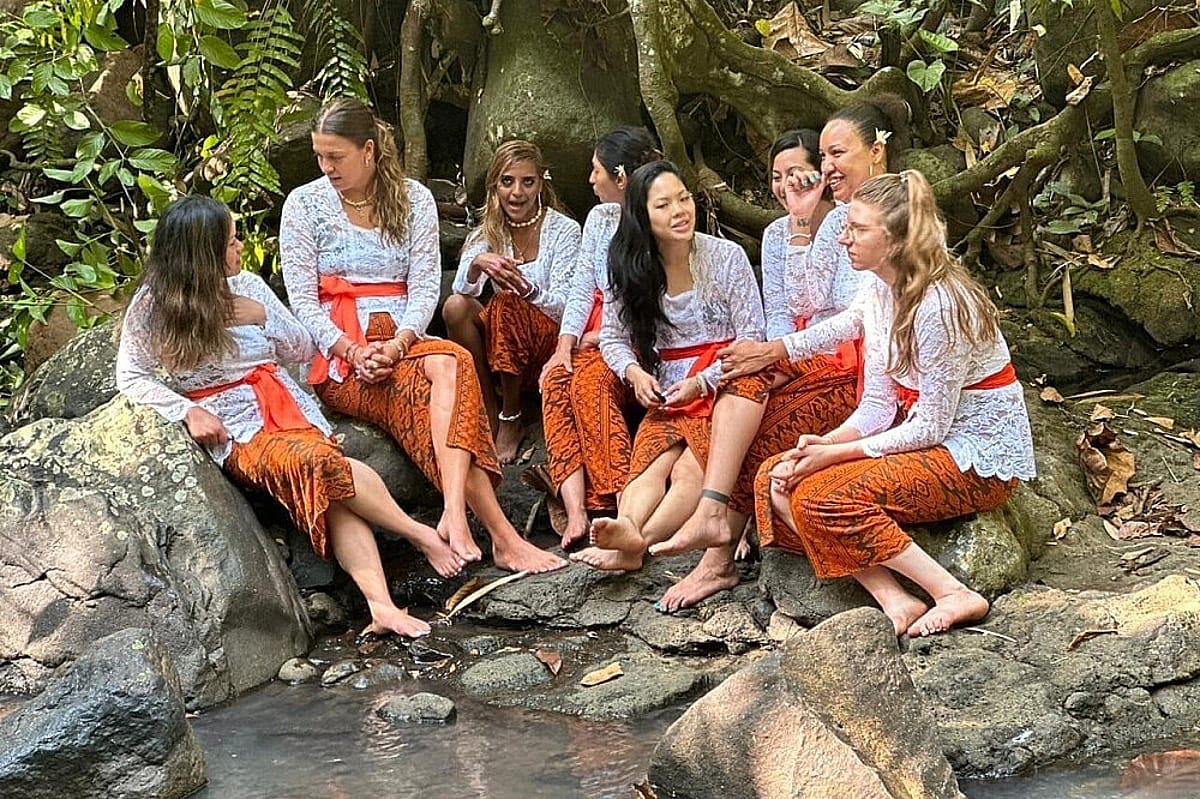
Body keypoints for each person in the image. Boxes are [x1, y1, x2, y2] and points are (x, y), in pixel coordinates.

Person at [116, 196, 459, 638]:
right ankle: (419, 534)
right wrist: (188, 410)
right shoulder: (153, 305)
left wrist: (261, 317)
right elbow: (131, 376)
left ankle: (381, 606)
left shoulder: (250, 287)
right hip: (233, 426)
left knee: (327, 483)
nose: (240, 247)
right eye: (231, 242)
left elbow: (302, 349)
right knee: (317, 465)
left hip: (285, 405)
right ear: (203, 255)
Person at [280, 98, 564, 575]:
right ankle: (502, 537)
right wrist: (352, 350)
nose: (326, 167)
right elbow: (303, 302)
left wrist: (398, 343)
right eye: (320, 156)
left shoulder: (414, 199)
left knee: (452, 361)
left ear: (368, 150)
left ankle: (455, 512)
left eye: (336, 156)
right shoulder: (303, 205)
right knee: (440, 383)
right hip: (342, 356)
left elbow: (426, 286)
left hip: (405, 342)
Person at [647, 100, 909, 611]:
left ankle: (714, 547)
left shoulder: (885, 214)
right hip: (812, 354)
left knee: (759, 414)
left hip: (864, 370)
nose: (826, 168)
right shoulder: (828, 220)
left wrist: (779, 352)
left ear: (876, 151)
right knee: (743, 383)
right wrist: (799, 224)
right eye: (824, 157)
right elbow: (795, 307)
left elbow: (850, 315)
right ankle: (708, 524)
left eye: (835, 155)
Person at [755, 170, 1035, 637]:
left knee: (823, 495)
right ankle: (895, 599)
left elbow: (932, 428)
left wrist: (835, 456)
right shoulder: (880, 286)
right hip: (923, 438)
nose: (843, 238)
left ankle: (954, 592)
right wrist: (824, 444)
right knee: (777, 477)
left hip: (972, 457)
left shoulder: (940, 307)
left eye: (857, 229)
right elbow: (877, 404)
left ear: (897, 239)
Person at [569, 160, 771, 577]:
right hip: (668, 388)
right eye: (663, 205)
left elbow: (752, 337)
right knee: (650, 462)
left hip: (723, 381)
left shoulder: (726, 257)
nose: (679, 211)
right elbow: (612, 338)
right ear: (642, 216)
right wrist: (634, 373)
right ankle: (627, 526)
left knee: (686, 469)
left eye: (684, 199)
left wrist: (703, 382)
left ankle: (637, 544)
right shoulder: (630, 266)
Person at [535, 127, 661, 549]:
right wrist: (564, 346)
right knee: (557, 378)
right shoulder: (600, 219)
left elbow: (646, 297)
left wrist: (604, 334)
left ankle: (623, 502)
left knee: (590, 383)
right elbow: (582, 287)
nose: (590, 180)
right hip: (601, 338)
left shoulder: (660, 217)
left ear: (621, 177)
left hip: (642, 343)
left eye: (596, 171)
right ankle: (576, 510)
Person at [444, 140, 583, 463]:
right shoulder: (488, 232)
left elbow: (568, 307)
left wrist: (527, 290)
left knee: (507, 302)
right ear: (495, 186)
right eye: (507, 182)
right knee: (455, 306)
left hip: (548, 342)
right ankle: (488, 408)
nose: (517, 192)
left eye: (527, 182)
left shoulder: (564, 230)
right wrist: (477, 263)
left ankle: (511, 416)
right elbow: (461, 290)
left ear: (540, 185)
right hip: (504, 344)